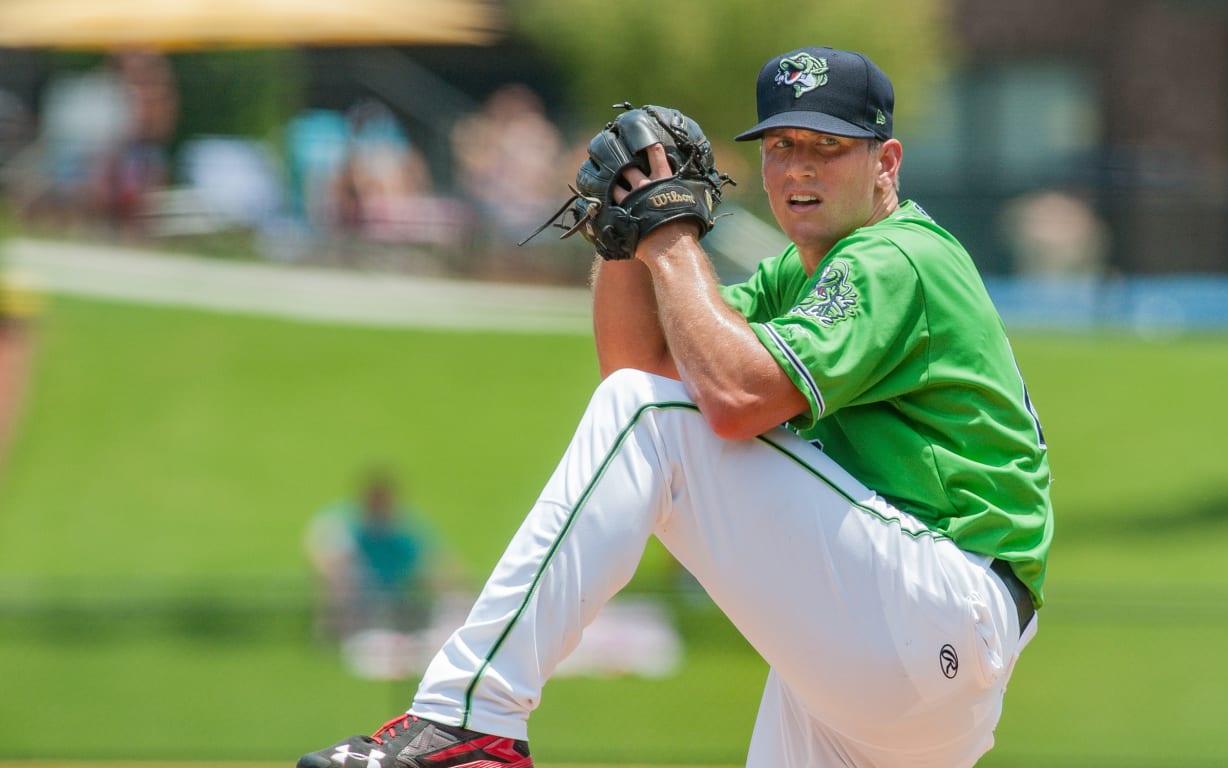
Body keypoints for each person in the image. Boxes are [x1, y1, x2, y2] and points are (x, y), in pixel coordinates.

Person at [297, 46, 1053, 768]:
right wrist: (626, 235)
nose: (797, 168)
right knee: (646, 410)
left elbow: (718, 404)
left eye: (826, 146)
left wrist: (671, 237)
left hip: (937, 607)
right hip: (896, 664)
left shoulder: (898, 259)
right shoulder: (803, 272)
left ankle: (472, 717)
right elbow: (644, 368)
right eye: (780, 145)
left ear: (885, 161)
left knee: (648, 418)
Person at [306, 468, 442, 643]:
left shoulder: (400, 530)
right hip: (356, 592)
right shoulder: (346, 524)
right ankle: (335, 635)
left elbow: (433, 562)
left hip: (389, 595)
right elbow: (320, 552)